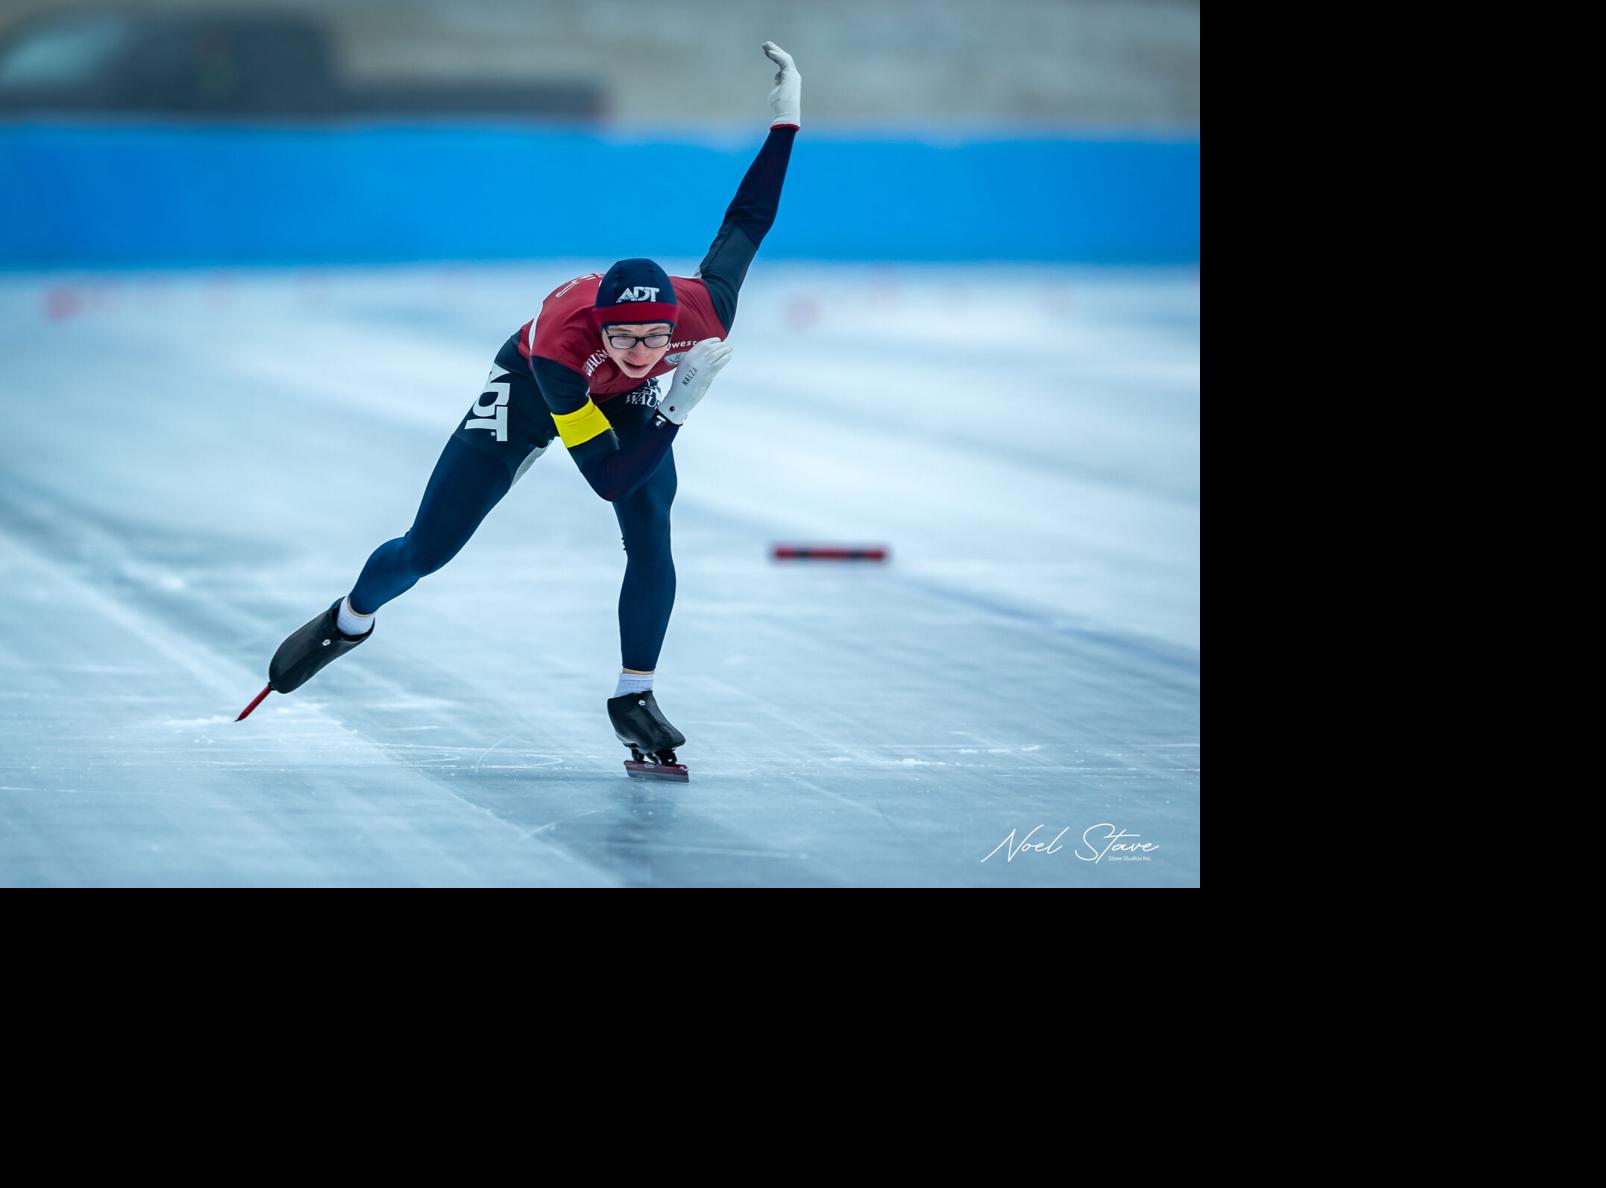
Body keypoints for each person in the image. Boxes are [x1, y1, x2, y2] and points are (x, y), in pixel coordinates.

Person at [237, 42, 802, 777]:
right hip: (535, 393)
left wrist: (784, 123)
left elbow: (748, 219)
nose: (639, 350)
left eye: (652, 338)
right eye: (623, 336)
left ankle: (636, 694)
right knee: (427, 550)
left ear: (676, 327)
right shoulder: (563, 349)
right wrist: (676, 409)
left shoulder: (706, 310)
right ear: (600, 325)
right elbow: (601, 475)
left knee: (652, 526)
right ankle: (349, 619)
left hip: (619, 404)